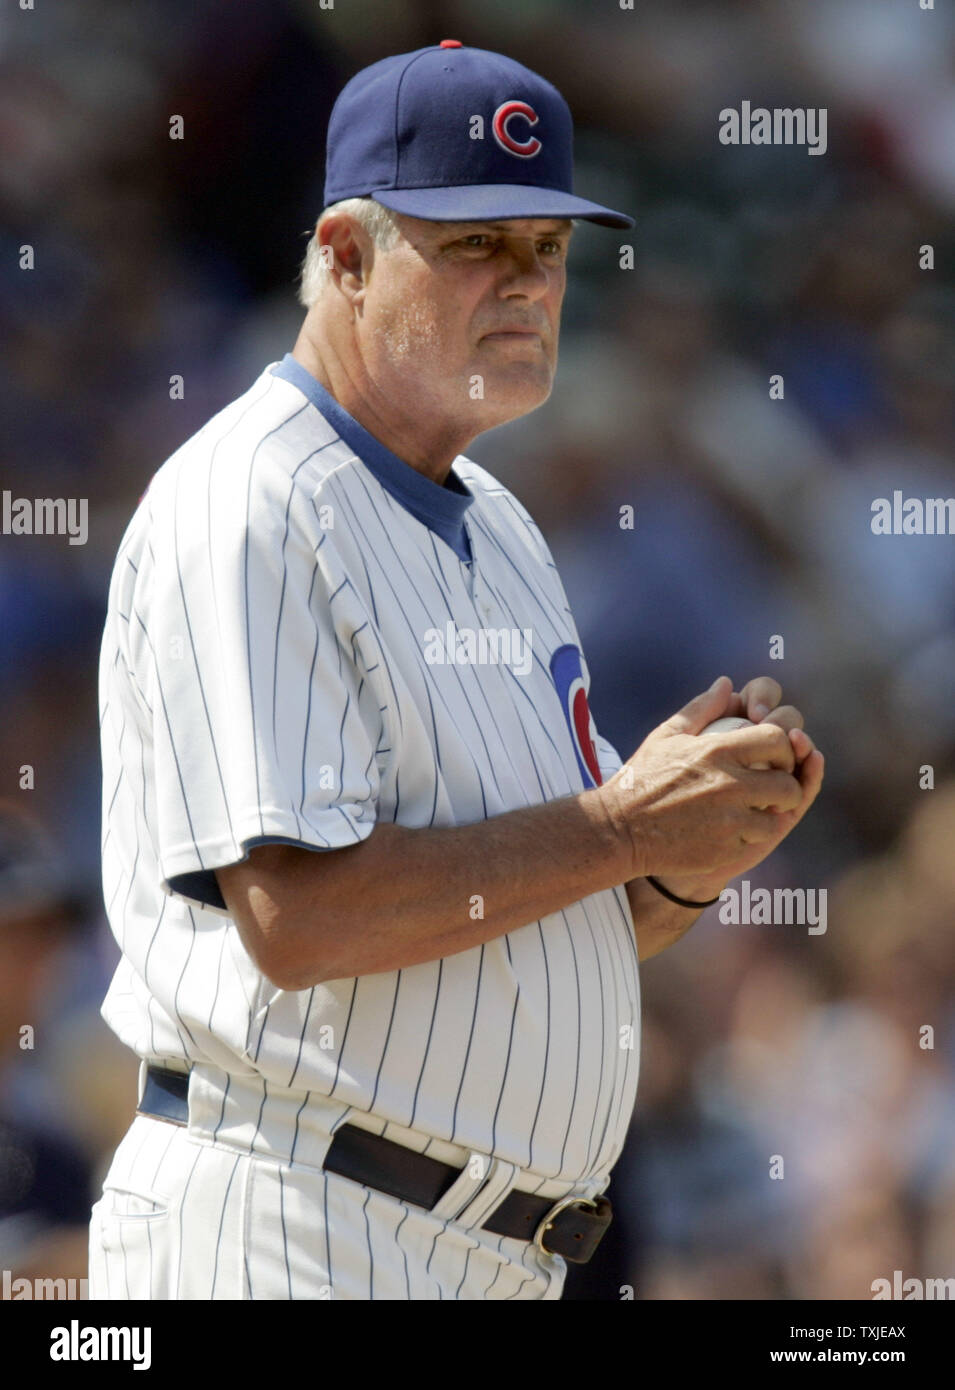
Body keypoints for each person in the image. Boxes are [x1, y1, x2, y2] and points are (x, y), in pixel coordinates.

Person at [90, 40, 823, 1301]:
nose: (526, 284)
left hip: (478, 1247)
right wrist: (620, 820)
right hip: (288, 1224)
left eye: (547, 249)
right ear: (344, 257)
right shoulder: (253, 498)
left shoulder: (500, 521)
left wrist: (677, 867)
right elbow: (299, 917)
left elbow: (530, 918)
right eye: (474, 243)